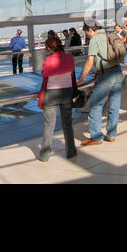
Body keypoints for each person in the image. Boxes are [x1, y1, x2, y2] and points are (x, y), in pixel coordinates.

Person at [78, 21, 124, 144]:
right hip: (117, 71)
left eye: (86, 33)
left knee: (96, 106)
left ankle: (96, 137)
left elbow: (89, 61)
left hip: (105, 76)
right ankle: (111, 134)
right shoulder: (110, 34)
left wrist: (81, 78)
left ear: (90, 30)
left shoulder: (95, 39)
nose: (87, 36)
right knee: (114, 105)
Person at [36, 32, 77, 160]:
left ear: (48, 48)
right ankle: (71, 151)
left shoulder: (48, 60)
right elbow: (72, 75)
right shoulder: (70, 58)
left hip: (51, 94)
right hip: (67, 93)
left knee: (49, 125)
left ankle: (44, 155)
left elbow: (44, 75)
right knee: (67, 123)